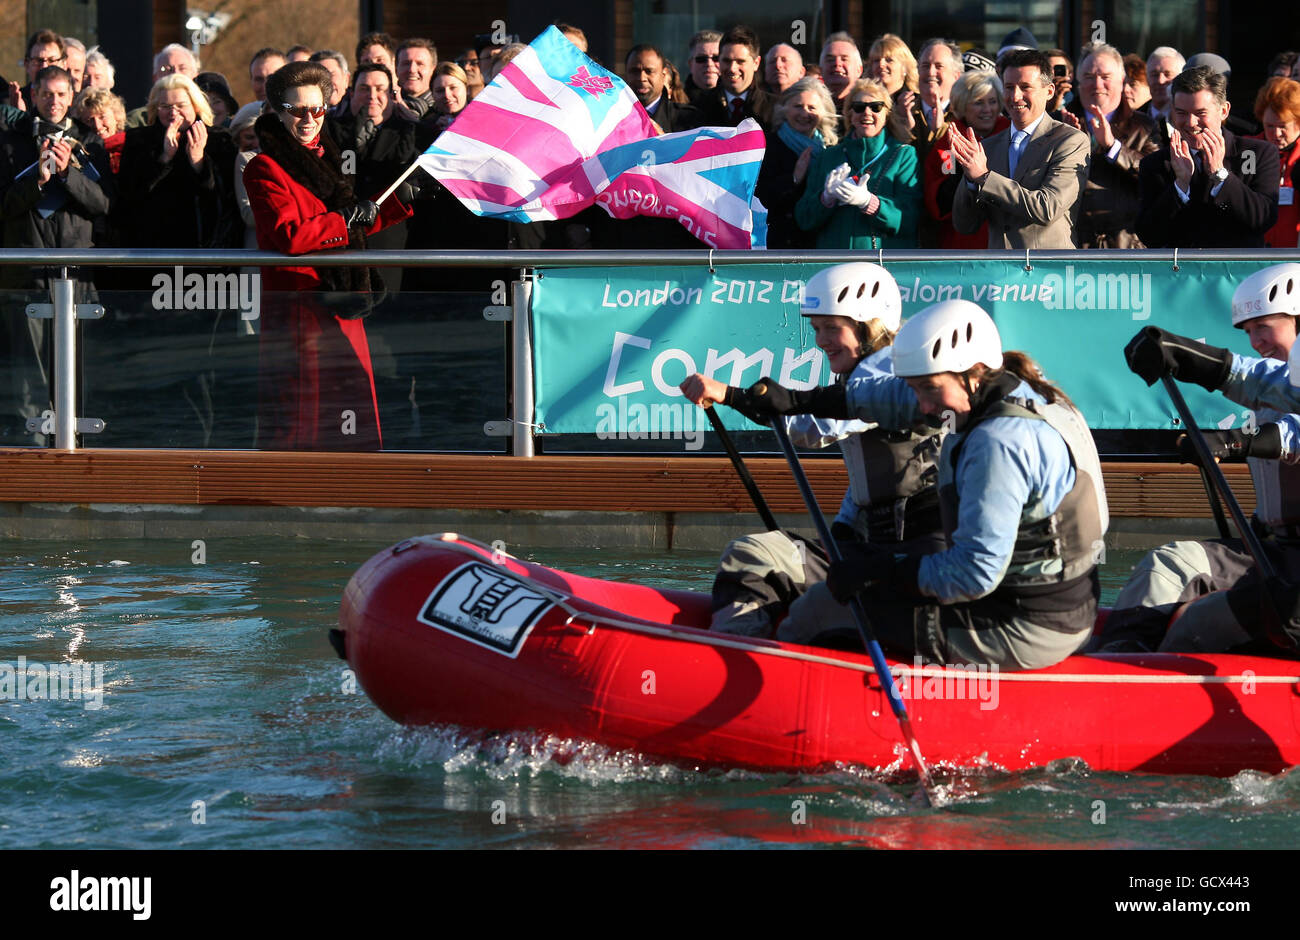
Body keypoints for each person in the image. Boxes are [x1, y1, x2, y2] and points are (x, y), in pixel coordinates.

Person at [712, 299, 1108, 668]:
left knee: (821, 610)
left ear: (971, 372)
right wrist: (800, 401)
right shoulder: (1021, 387)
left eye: (929, 389)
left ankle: (772, 705)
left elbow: (973, 575)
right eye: (918, 388)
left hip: (1020, 626)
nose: (923, 407)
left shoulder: (999, 442)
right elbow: (892, 397)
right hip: (1065, 609)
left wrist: (883, 569)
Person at [679, 263, 944, 638]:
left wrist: (732, 395)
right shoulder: (862, 371)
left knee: (754, 556)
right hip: (875, 547)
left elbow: (814, 429)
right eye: (816, 328)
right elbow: (867, 480)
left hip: (911, 557)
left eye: (832, 327)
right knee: (759, 558)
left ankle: (744, 659)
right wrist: (843, 531)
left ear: (871, 325)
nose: (821, 340)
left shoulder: (889, 370)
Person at [1117, 267, 1300, 655]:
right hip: (1272, 555)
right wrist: (1178, 353)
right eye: (1248, 331)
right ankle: (1117, 659)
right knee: (1167, 566)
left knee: (1194, 625)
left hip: (1291, 578)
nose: (1256, 342)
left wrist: (1233, 443)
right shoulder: (1287, 381)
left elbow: (1291, 432)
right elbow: (1259, 379)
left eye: (1263, 327)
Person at [242, 61, 411, 452]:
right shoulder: (263, 167)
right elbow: (290, 236)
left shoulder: (327, 157)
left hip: (338, 298)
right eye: (297, 110)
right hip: (299, 307)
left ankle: (354, 490)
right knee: (303, 416)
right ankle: (295, 497)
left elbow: (345, 225)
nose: (308, 119)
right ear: (278, 113)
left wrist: (397, 204)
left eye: (316, 109)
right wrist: (344, 218)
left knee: (350, 407)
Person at [0, 64, 112, 444]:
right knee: (29, 379)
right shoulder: (10, 142)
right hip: (27, 275)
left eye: (62, 94)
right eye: (46, 94)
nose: (54, 101)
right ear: (33, 95)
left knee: (76, 376)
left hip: (76, 276)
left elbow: (103, 205)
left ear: (73, 95)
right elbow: (4, 205)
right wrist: (39, 180)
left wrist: (68, 175)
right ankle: (32, 455)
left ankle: (77, 453)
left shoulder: (89, 142)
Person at [951, 49, 1090, 249]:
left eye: (1025, 87)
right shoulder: (988, 147)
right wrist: (971, 181)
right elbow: (964, 225)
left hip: (1048, 274)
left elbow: (1047, 208)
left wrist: (984, 177)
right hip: (999, 273)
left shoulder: (1070, 141)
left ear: (1049, 91)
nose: (1015, 97)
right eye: (1009, 87)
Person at [1136, 65, 1279, 248]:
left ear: (1224, 111)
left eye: (1200, 113)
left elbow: (1262, 219)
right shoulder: (1156, 163)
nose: (1190, 123)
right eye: (1181, 113)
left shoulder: (1258, 153)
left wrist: (1221, 176)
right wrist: (1180, 186)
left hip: (1236, 274)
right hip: (1180, 274)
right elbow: (1149, 235)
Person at [324, 63, 422, 292]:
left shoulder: (408, 133)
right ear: (351, 92)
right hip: (342, 247)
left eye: (380, 89)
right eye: (364, 89)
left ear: (392, 95)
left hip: (392, 248)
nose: (372, 96)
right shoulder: (330, 130)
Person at [115, 73, 239, 252]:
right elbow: (129, 193)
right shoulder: (139, 140)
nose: (173, 113)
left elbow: (222, 197)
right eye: (165, 106)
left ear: (195, 106)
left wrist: (198, 161)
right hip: (151, 247)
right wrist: (164, 159)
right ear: (156, 108)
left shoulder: (220, 139)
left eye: (181, 105)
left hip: (203, 247)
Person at [795, 78, 920, 249]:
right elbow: (804, 219)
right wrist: (825, 199)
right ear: (850, 114)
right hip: (834, 264)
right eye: (859, 107)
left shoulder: (903, 155)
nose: (867, 113)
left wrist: (869, 202)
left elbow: (910, 218)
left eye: (876, 107)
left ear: (887, 113)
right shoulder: (829, 156)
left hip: (881, 265)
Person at [1074, 42, 1159, 248]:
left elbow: (1155, 175)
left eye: (1105, 77)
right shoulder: (1057, 123)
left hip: (1126, 246)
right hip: (1071, 247)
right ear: (1077, 82)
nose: (1097, 85)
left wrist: (1113, 147)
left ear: (1122, 81)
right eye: (1088, 77)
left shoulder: (1144, 126)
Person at [924, 69, 1009, 249]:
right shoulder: (949, 144)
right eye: (978, 103)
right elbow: (941, 200)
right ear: (963, 105)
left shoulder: (1012, 134)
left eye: (992, 102)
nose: (987, 110)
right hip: (963, 244)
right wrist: (965, 168)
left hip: (1006, 243)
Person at [757, 77, 837, 248]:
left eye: (812, 108)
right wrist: (793, 179)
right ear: (784, 110)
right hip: (781, 244)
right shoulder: (767, 146)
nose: (804, 114)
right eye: (798, 106)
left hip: (820, 244)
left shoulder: (831, 149)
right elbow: (759, 198)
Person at [696, 25, 772, 131]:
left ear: (756, 63)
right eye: (726, 61)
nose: (732, 68)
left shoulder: (775, 109)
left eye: (740, 61)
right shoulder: (698, 107)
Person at [1254, 77, 1300, 249]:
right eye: (1269, 126)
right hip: (1256, 253)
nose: (1276, 133)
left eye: (1283, 126)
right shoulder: (1249, 151)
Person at [909, 39, 962, 167]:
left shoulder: (965, 115)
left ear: (956, 76)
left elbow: (950, 171)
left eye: (939, 66)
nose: (931, 72)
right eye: (925, 66)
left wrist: (940, 133)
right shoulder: (902, 112)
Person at [625, 45, 700, 133]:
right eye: (634, 71)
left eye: (649, 71)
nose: (642, 78)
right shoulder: (612, 117)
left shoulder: (688, 118)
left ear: (663, 75)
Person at [125, 44, 198, 128]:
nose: (175, 73)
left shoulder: (211, 118)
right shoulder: (138, 121)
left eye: (182, 68)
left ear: (195, 75)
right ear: (155, 77)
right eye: (167, 69)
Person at [867, 33, 918, 119]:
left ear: (905, 67)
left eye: (889, 60)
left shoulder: (917, 103)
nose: (881, 64)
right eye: (876, 60)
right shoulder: (863, 102)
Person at [1144, 46, 1185, 147]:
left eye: (1168, 74)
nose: (1160, 81)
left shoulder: (1189, 121)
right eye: (1154, 74)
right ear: (1147, 78)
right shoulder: (1133, 120)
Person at [395, 38, 437, 119]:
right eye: (406, 63)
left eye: (420, 64)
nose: (412, 69)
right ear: (396, 70)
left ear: (433, 70)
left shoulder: (443, 108)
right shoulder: (384, 109)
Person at [819, 32, 864, 106]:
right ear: (821, 70)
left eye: (844, 59)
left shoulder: (869, 107)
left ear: (859, 70)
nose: (837, 63)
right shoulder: (809, 107)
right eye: (830, 60)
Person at [428, 62, 469, 134]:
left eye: (453, 88)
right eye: (440, 91)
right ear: (432, 94)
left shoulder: (483, 118)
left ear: (467, 89)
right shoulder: (426, 127)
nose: (447, 95)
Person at [683, 29, 722, 102]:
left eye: (716, 58)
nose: (709, 64)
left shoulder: (740, 104)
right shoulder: (675, 103)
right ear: (690, 64)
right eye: (701, 58)